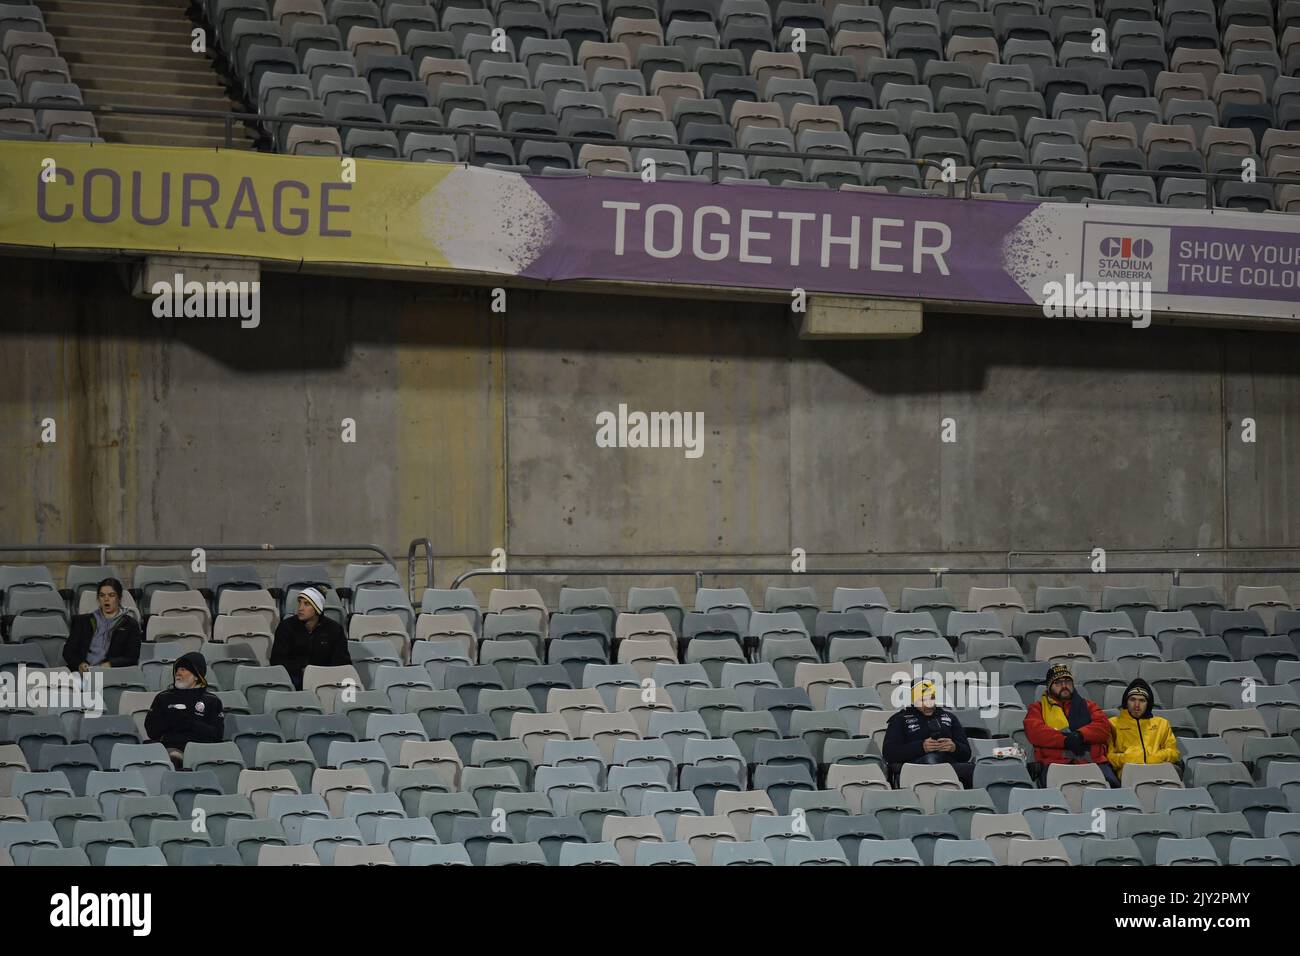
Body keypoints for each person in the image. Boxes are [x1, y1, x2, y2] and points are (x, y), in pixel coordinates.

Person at [1024, 662, 1119, 787]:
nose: (1064, 686)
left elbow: (1102, 727)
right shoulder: (1038, 708)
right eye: (1058, 682)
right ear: (1049, 686)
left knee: (1112, 787)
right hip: (1055, 765)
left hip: (1092, 762)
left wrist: (1080, 735)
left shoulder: (1089, 705)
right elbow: (1036, 732)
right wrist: (1065, 740)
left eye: (1068, 682)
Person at [882, 678, 974, 787]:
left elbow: (966, 753)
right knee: (931, 759)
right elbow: (889, 753)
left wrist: (954, 747)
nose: (929, 704)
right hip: (915, 769)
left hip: (950, 766)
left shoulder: (949, 717)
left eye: (932, 698)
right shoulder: (900, 719)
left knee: (976, 769)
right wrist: (921, 747)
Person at [144, 651, 225, 767]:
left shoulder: (211, 700)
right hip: (172, 748)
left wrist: (190, 724)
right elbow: (151, 731)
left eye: (183, 670)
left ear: (196, 676)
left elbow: (217, 734)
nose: (178, 673)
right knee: (173, 757)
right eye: (177, 670)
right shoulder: (163, 698)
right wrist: (170, 721)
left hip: (203, 751)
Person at [270, 587, 350, 690]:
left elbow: (342, 661)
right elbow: (277, 660)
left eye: (306, 604)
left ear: (317, 608)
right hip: (294, 679)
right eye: (299, 603)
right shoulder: (287, 626)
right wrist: (302, 670)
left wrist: (321, 673)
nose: (300, 608)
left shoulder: (334, 629)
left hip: (325, 680)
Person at [63, 577, 142, 672]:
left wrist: (111, 664)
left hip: (112, 673)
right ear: (98, 599)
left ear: (119, 598)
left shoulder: (130, 624)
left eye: (111, 595)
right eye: (102, 595)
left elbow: (132, 657)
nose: (106, 599)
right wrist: (79, 664)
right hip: (82, 673)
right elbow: (68, 652)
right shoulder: (82, 621)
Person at [1108, 677, 1179, 777]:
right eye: (1132, 699)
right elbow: (1109, 756)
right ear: (1126, 702)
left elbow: (1174, 752)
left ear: (1148, 703)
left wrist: (1154, 758)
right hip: (1129, 771)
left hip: (1159, 769)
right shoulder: (1113, 724)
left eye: (1142, 700)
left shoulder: (1162, 723)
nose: (1137, 705)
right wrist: (1130, 758)